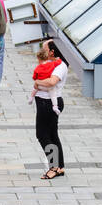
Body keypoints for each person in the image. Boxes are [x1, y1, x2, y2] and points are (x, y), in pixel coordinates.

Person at [33, 39, 67, 180]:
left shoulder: (60, 66)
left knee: (42, 134)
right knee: (52, 134)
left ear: (52, 52)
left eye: (45, 48)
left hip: (48, 103)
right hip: (43, 101)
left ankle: (53, 167)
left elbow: (52, 82)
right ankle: (59, 167)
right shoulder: (51, 63)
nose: (42, 51)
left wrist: (37, 82)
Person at [31, 48, 63, 114]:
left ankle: (31, 98)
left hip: (40, 86)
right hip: (49, 87)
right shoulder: (52, 64)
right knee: (53, 95)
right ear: (47, 57)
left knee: (35, 88)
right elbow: (59, 62)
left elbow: (34, 77)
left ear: (39, 59)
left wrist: (37, 80)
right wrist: (58, 59)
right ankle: (55, 106)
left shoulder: (38, 68)